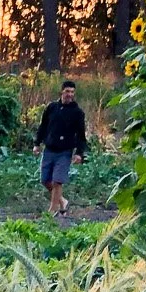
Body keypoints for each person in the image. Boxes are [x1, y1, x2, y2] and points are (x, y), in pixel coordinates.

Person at [34, 79, 88, 216]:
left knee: (57, 181)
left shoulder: (77, 113)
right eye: (67, 91)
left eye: (72, 92)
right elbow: (43, 126)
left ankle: (53, 210)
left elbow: (81, 135)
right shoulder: (51, 107)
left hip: (65, 151)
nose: (70, 94)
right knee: (45, 180)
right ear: (61, 92)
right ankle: (62, 201)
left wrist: (79, 153)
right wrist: (37, 143)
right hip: (49, 149)